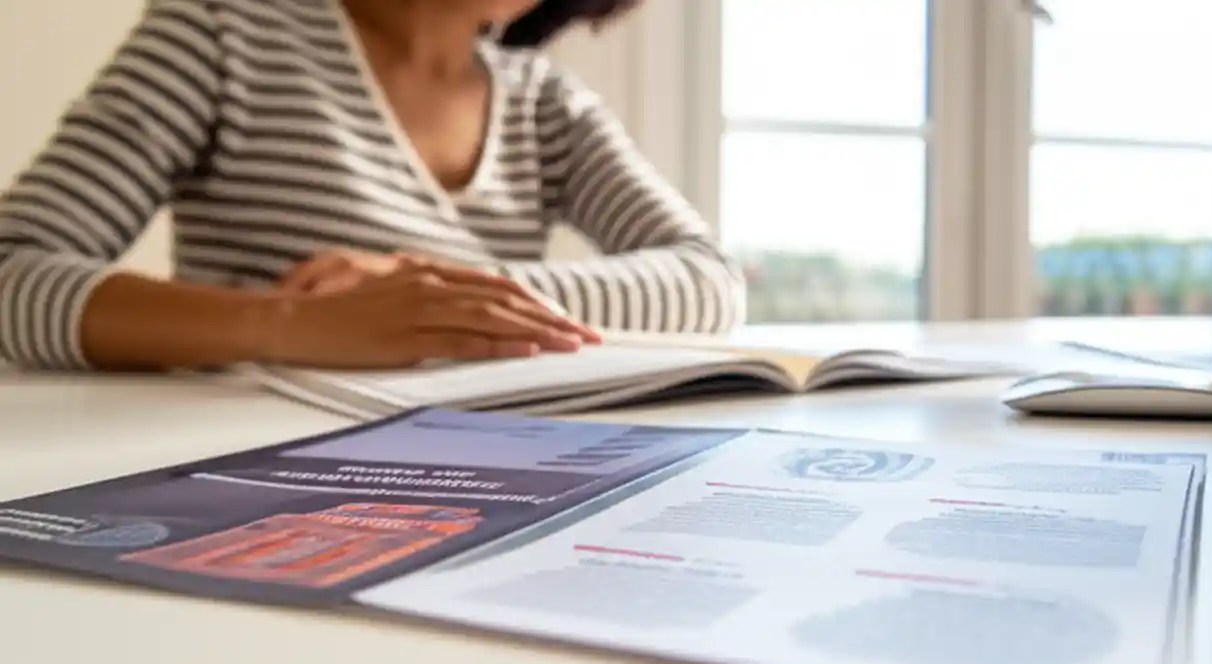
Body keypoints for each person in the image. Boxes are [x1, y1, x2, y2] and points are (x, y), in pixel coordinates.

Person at [0, 0, 745, 372]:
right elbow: (13, 271)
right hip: (247, 477)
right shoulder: (225, 30)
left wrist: (451, 297)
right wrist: (285, 324)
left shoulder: (546, 103)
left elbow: (709, 280)